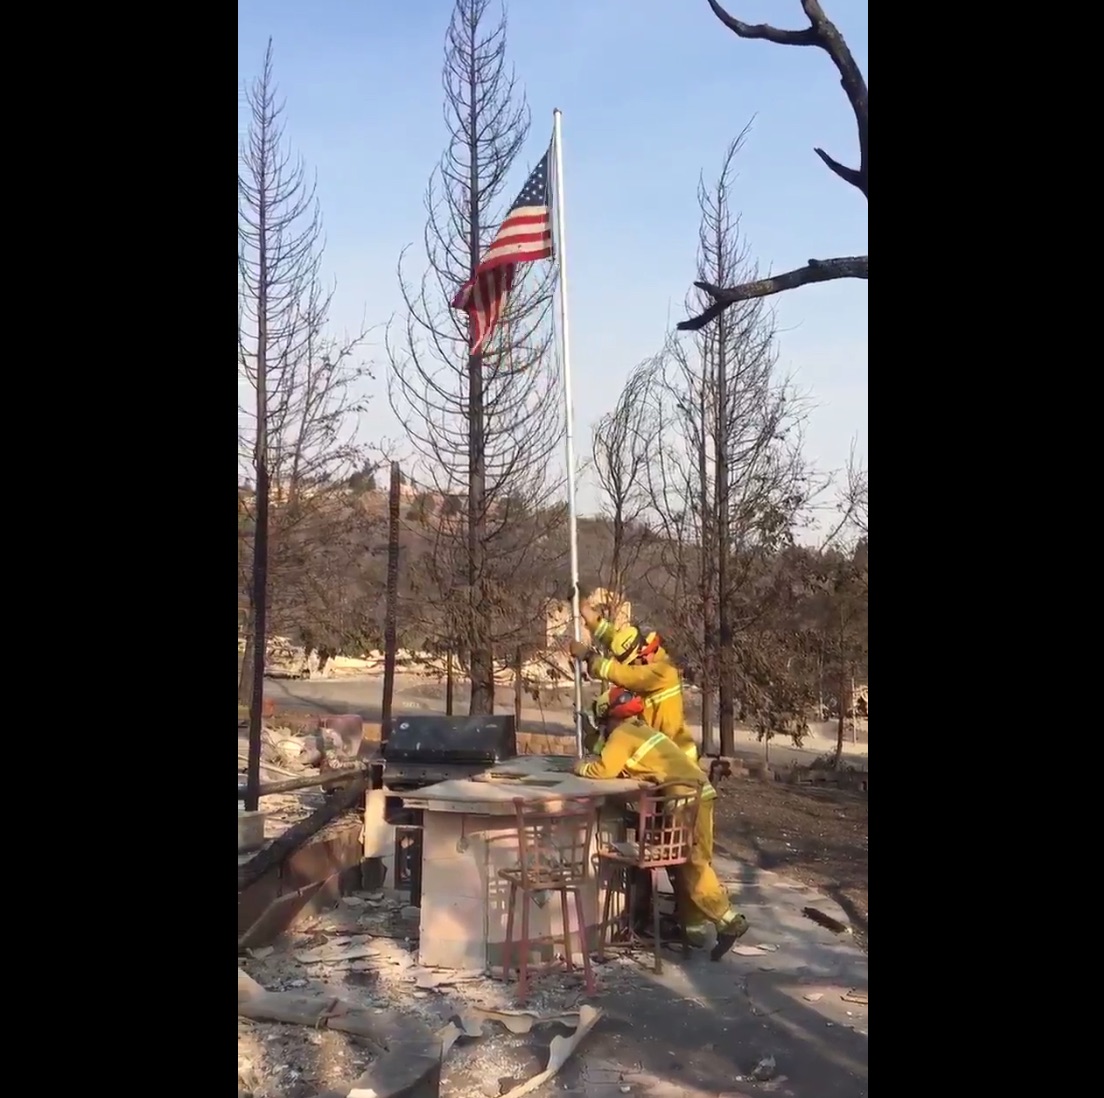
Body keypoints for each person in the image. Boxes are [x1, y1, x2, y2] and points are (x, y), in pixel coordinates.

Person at [574, 688, 750, 959]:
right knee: (687, 862)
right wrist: (591, 736)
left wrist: (580, 768)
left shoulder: (622, 735)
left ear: (609, 718)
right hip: (698, 795)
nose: (603, 728)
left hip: (683, 801)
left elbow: (603, 768)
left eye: (602, 723)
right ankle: (693, 930)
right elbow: (607, 751)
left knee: (693, 865)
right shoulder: (639, 730)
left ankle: (727, 920)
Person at [568, 605, 699, 764]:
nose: (632, 666)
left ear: (643, 654)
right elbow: (617, 641)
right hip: (664, 756)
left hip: (677, 758)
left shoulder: (663, 672)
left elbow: (625, 674)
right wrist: (587, 612)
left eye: (633, 663)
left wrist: (589, 656)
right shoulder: (645, 656)